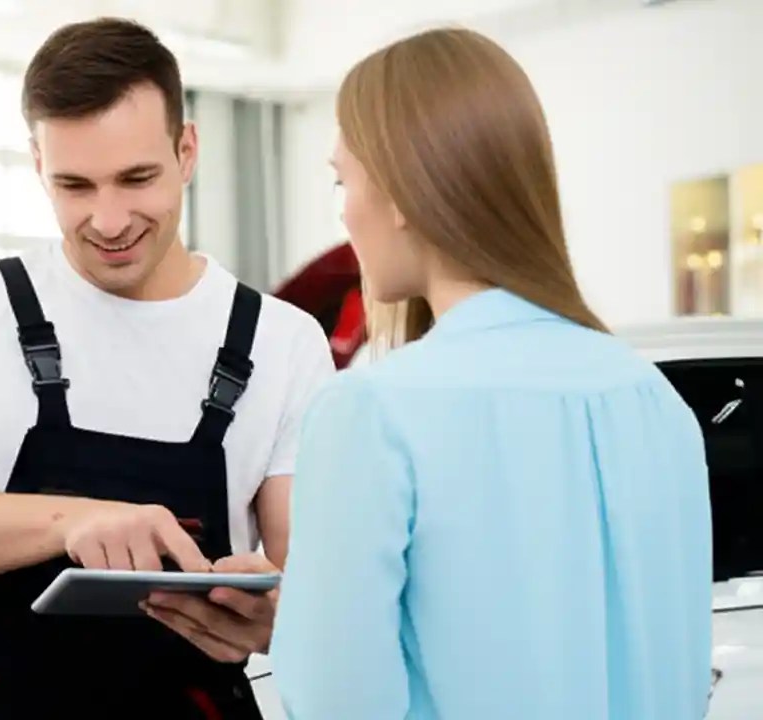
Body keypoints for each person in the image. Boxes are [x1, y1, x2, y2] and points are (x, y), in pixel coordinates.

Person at [0, 17, 333, 719]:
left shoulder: (283, 342)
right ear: (38, 164)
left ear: (187, 150)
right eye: (75, 186)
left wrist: (278, 620)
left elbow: (312, 584)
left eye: (136, 179)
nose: (110, 220)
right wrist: (76, 522)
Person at [271, 27, 713, 720]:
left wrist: (304, 617)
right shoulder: (654, 400)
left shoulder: (371, 411)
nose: (345, 213)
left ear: (401, 193)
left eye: (342, 181)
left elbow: (339, 702)